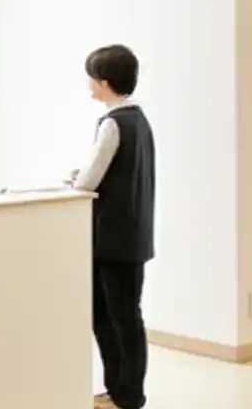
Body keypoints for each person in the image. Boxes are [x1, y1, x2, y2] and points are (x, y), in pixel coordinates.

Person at [67, 44, 155, 409]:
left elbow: (88, 181)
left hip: (111, 240)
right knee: (119, 315)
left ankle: (128, 394)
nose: (88, 84)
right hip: (131, 236)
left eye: (91, 77)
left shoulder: (112, 124)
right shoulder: (139, 120)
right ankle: (119, 389)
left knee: (117, 318)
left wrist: (75, 179)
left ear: (104, 83)